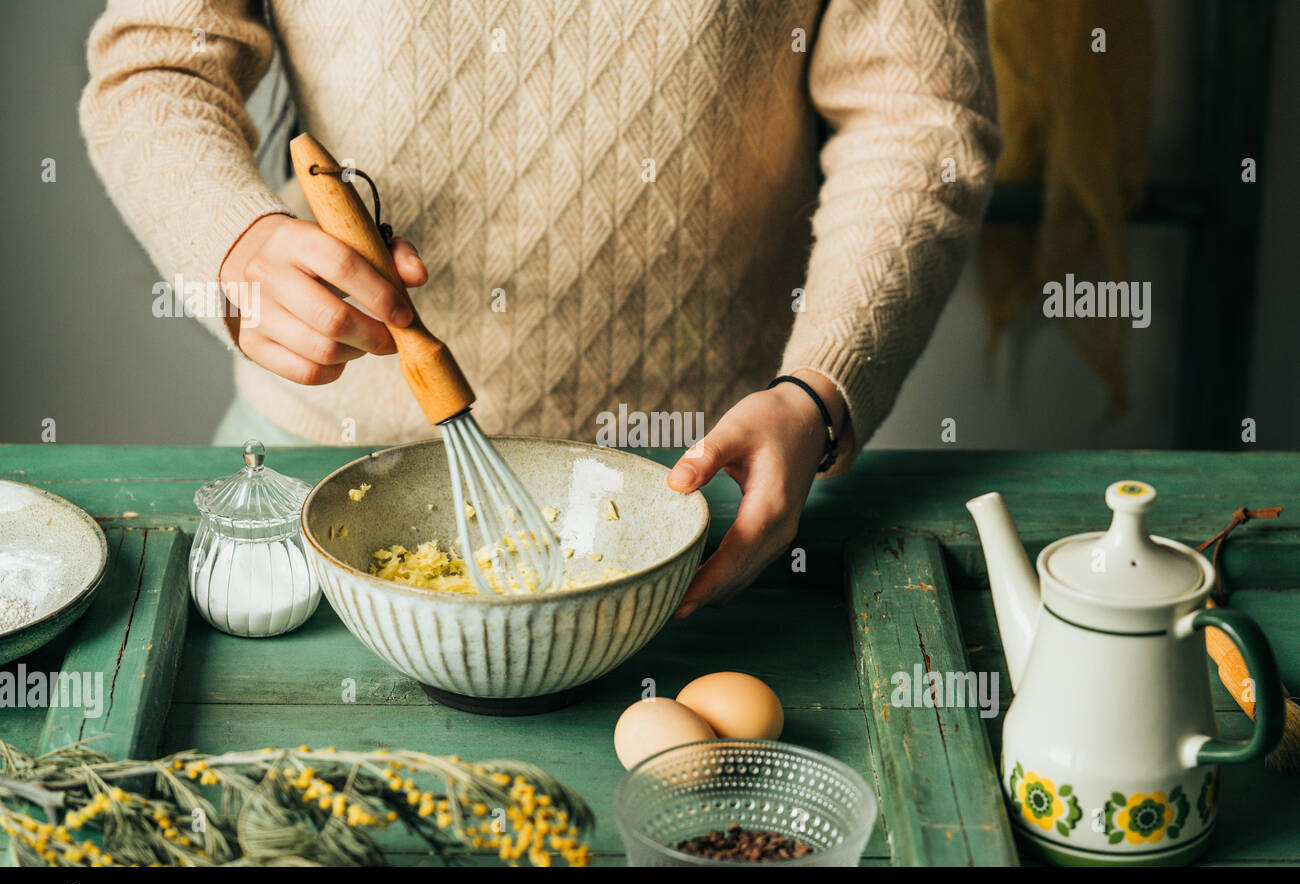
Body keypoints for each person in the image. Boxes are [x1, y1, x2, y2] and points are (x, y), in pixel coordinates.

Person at [80, 0, 1000, 616]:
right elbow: (156, 60)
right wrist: (231, 246)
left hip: (708, 500)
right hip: (320, 483)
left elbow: (918, 114)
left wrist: (816, 392)